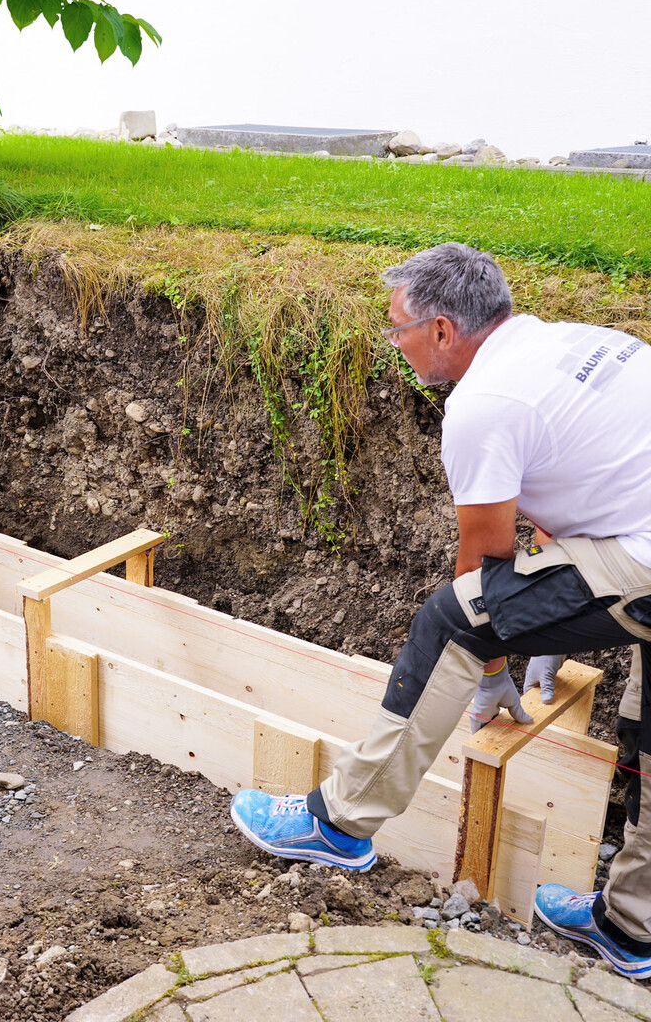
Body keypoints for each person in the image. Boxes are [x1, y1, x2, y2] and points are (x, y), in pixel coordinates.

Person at [230, 243, 651, 979]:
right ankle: (634, 926)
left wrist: (494, 668)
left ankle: (338, 825)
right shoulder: (576, 344)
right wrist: (575, 595)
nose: (394, 344)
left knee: (452, 619)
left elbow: (484, 574)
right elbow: (601, 471)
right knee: (650, 731)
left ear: (445, 330)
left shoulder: (482, 406)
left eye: (399, 329)